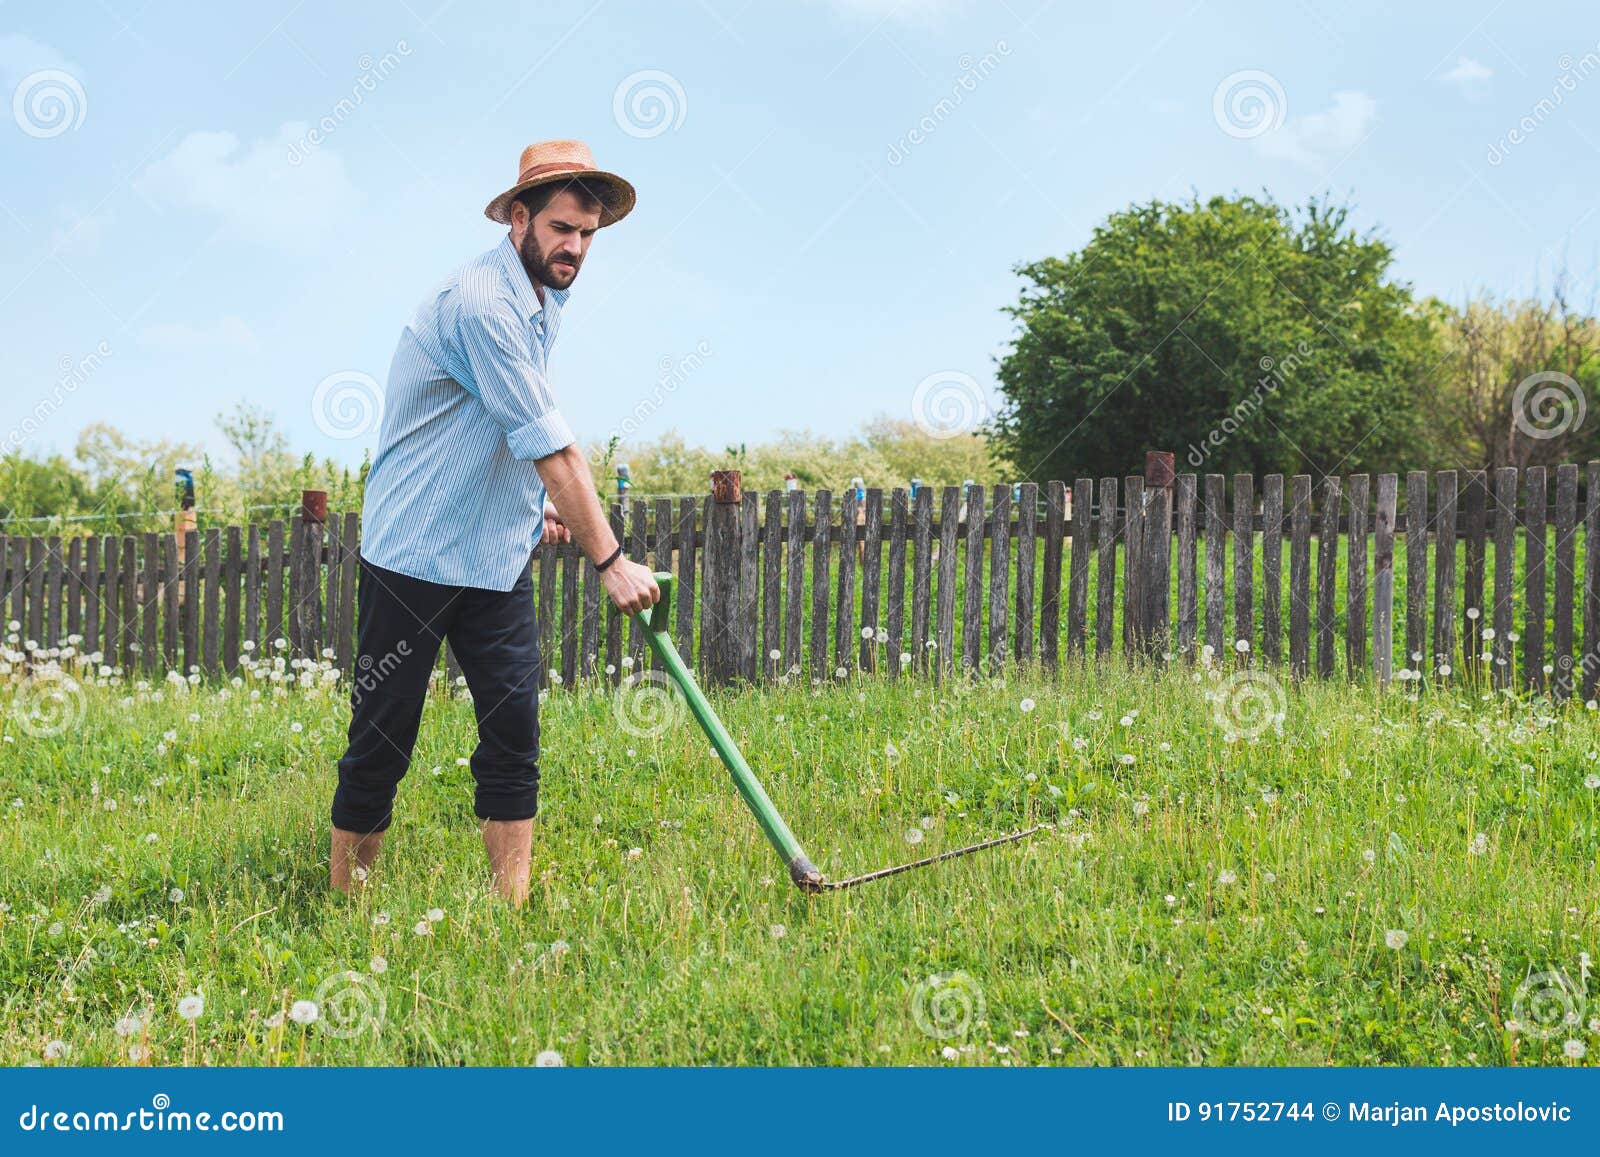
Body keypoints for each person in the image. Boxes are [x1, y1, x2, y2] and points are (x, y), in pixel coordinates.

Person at [329, 139, 660, 906]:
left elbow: (492, 423)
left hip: (494, 555)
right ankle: (347, 905)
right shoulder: (482, 304)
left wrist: (532, 508)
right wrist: (610, 559)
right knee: (382, 737)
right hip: (413, 553)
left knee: (514, 729)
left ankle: (510, 907)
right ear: (520, 218)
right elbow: (554, 444)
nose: (575, 245)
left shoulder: (543, 296)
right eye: (561, 228)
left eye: (587, 232)